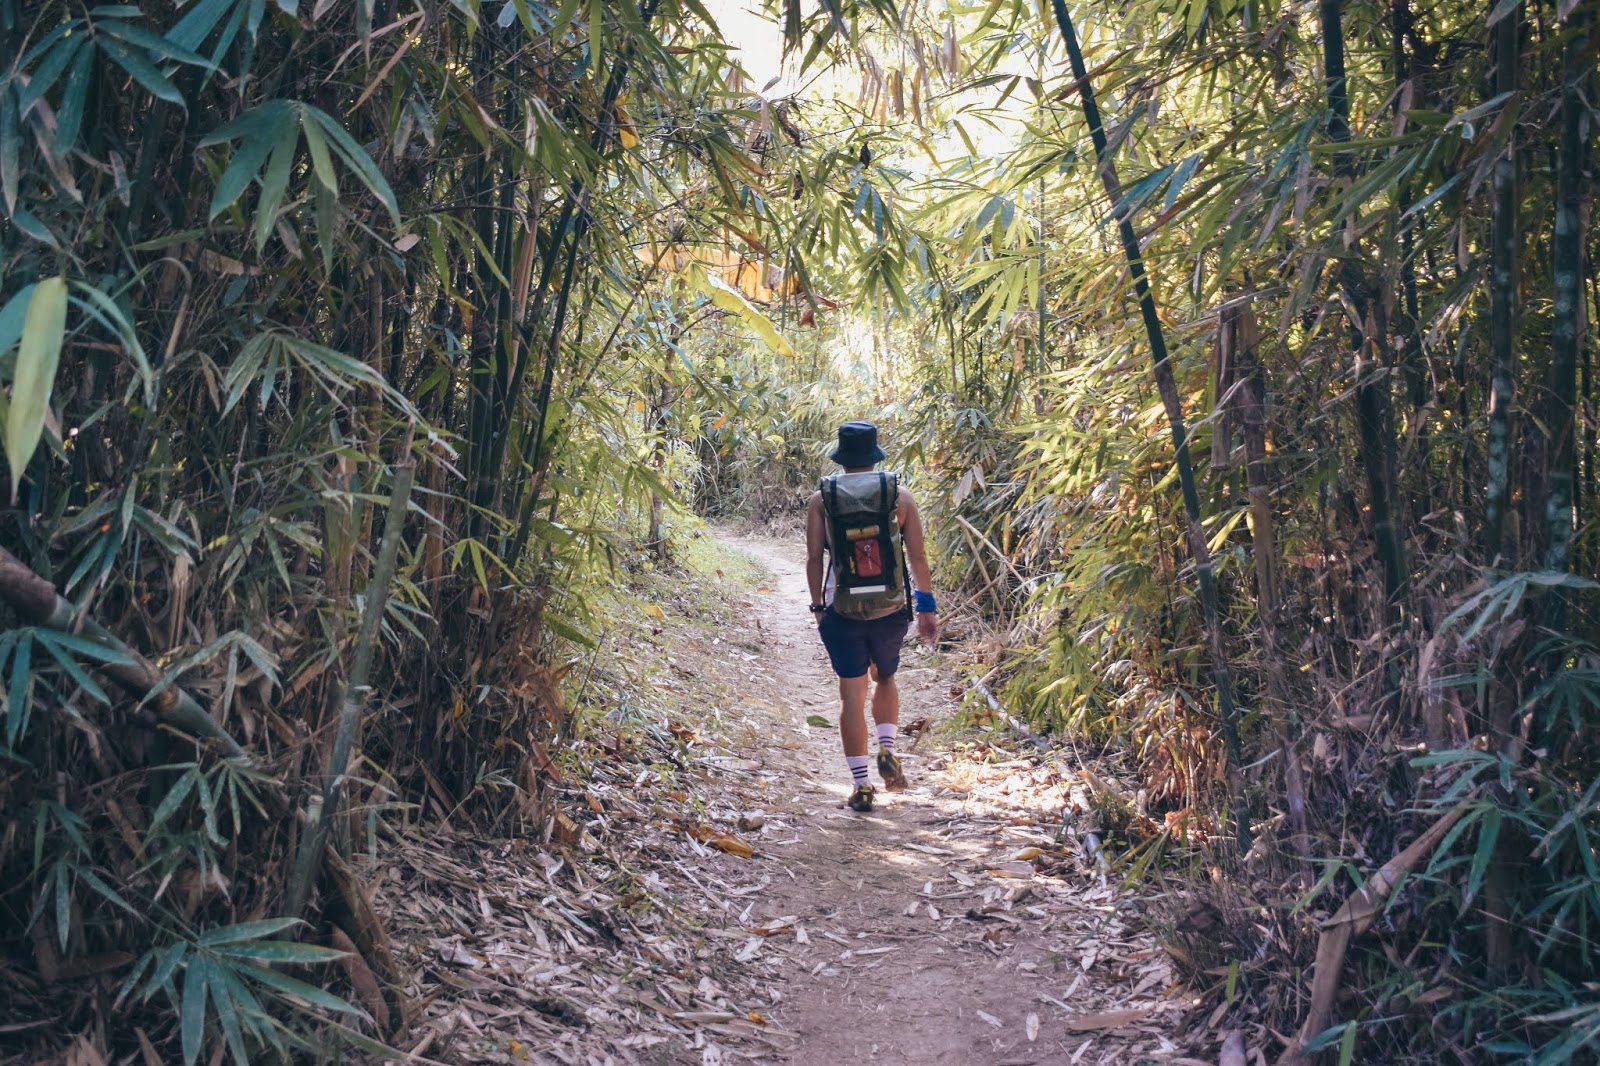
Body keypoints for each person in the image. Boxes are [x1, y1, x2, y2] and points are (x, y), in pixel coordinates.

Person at [806, 421, 939, 813]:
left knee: (851, 694)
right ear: (875, 454)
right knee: (886, 676)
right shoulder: (900, 496)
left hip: (841, 609)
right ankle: (887, 747)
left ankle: (861, 785)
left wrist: (817, 607)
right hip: (891, 608)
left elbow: (815, 558)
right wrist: (927, 608)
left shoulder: (821, 499)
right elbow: (917, 558)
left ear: (842, 457)